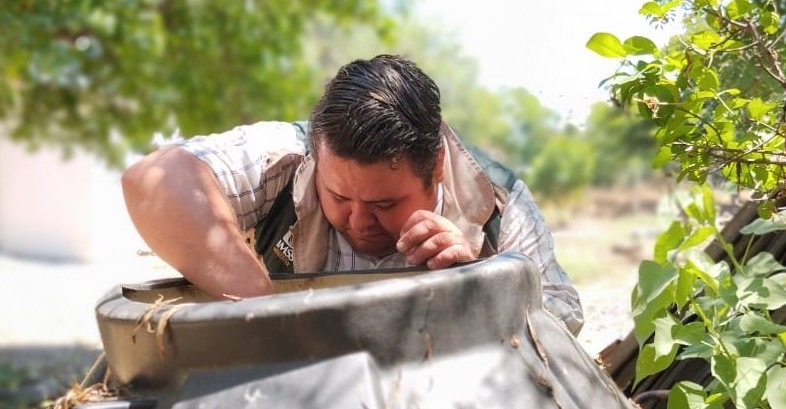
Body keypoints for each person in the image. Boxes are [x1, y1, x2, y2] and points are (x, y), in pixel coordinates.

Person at [122, 54, 584, 335]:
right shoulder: (285, 158)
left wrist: (480, 281)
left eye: (385, 205)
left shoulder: (497, 200)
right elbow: (153, 180)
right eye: (338, 197)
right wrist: (263, 311)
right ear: (318, 156)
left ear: (437, 167)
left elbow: (563, 315)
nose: (359, 221)